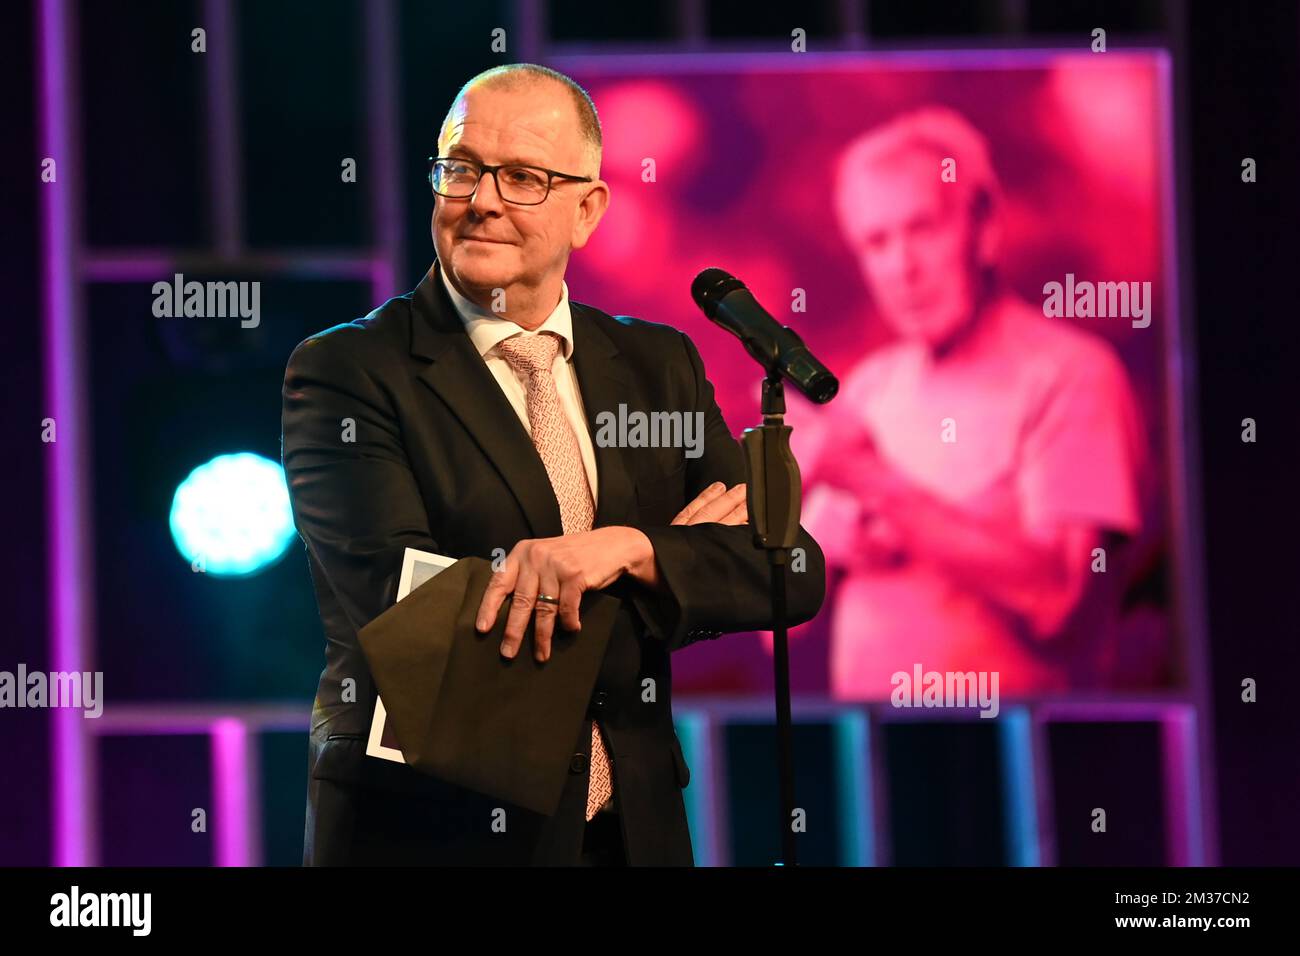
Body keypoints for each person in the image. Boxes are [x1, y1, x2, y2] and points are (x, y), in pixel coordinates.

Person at [281, 63, 825, 866]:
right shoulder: (351, 371)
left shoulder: (655, 364)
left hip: (632, 830)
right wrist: (671, 565)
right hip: (437, 832)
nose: (484, 200)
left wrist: (620, 549)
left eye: (524, 177)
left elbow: (790, 571)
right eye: (461, 169)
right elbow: (419, 620)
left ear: (588, 210)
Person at [797, 107, 1145, 699]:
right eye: (877, 242)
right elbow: (775, 633)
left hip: (1012, 756)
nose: (902, 268)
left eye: (923, 230)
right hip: (869, 752)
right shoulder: (869, 388)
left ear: (985, 229)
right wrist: (811, 551)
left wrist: (880, 488)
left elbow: (1063, 602)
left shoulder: (1071, 375)